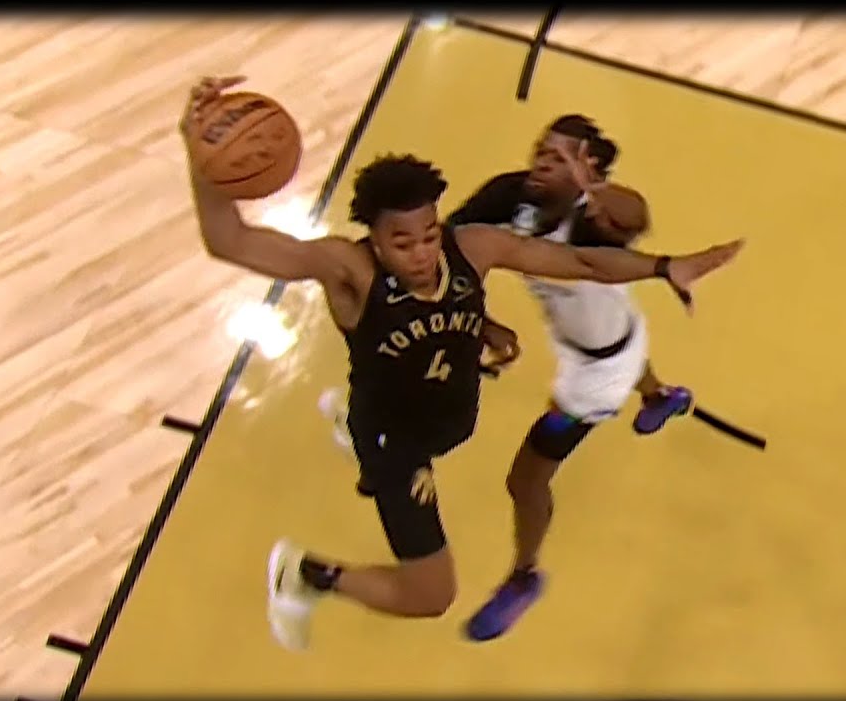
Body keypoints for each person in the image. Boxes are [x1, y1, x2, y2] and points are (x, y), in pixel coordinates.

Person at [179, 76, 744, 652]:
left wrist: (663, 267)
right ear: (373, 239)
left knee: (452, 421)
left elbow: (582, 261)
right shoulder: (346, 268)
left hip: (443, 411)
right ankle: (305, 574)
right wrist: (201, 157)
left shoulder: (471, 245)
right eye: (404, 243)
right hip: (395, 440)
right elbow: (230, 242)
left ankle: (352, 426)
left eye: (429, 234)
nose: (423, 253)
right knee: (431, 596)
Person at [445, 115, 693, 641]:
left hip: (595, 379)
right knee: (623, 343)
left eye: (559, 158)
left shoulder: (594, 222)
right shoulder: (510, 195)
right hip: (601, 331)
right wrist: (482, 323)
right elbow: (453, 251)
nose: (540, 161)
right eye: (541, 150)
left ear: (591, 171)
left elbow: (634, 215)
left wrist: (594, 187)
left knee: (525, 481)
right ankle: (660, 397)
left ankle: (523, 577)